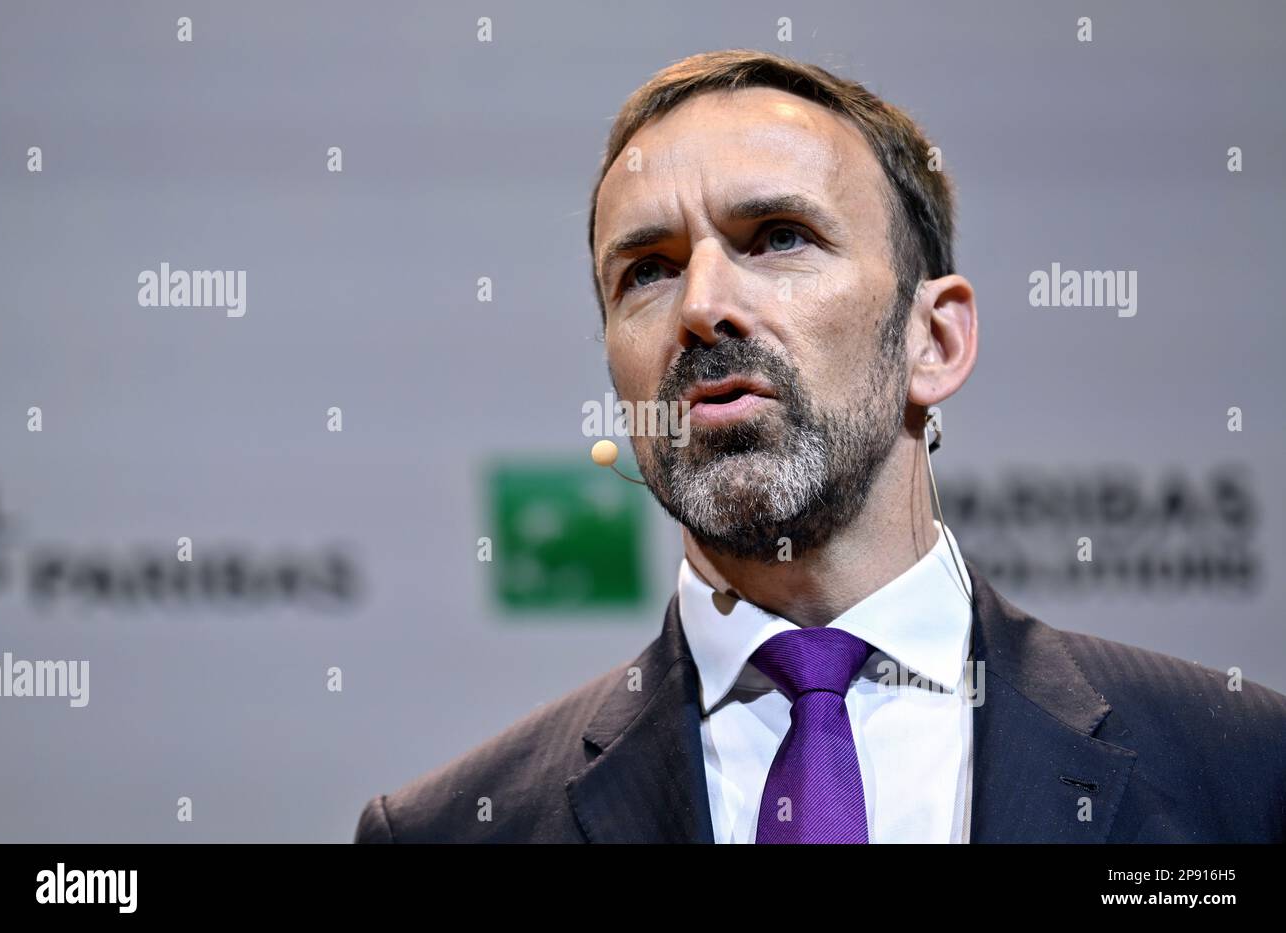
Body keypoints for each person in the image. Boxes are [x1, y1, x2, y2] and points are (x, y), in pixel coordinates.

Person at [354, 49, 1286, 843]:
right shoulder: (454, 828)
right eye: (648, 269)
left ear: (936, 340)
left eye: (778, 237)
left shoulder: (1242, 769)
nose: (703, 304)